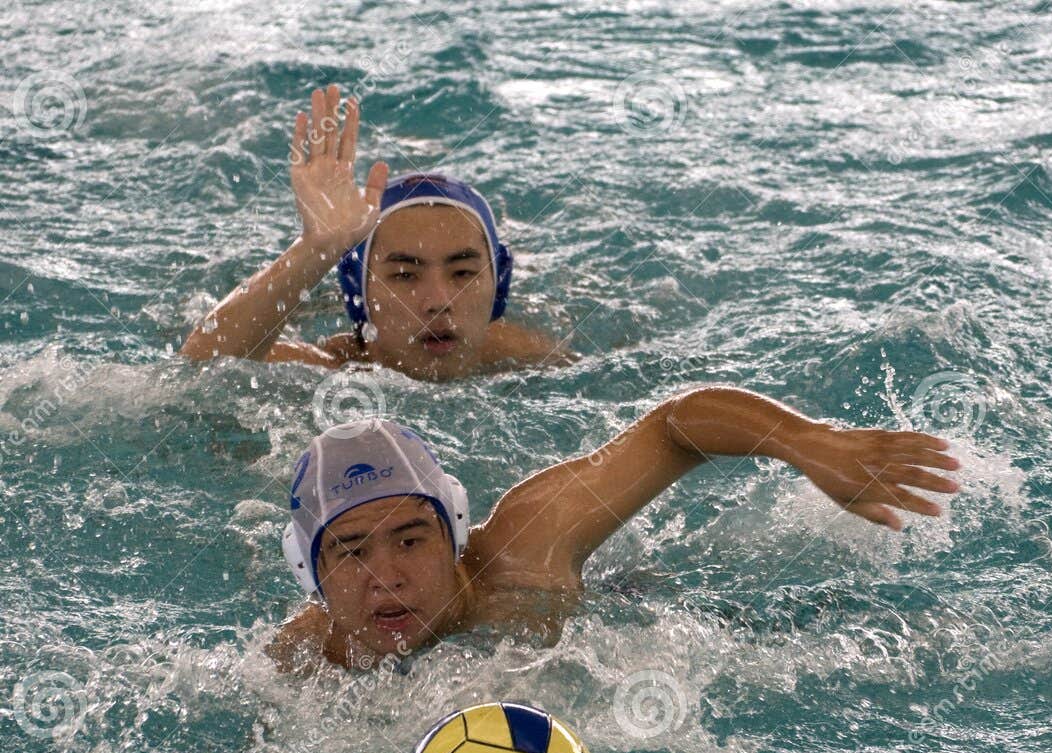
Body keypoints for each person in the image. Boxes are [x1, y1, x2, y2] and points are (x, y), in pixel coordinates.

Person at [267, 386, 962, 672]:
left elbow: (674, 430)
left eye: (411, 539)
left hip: (639, 616)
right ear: (313, 575)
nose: (385, 573)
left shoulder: (526, 545)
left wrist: (812, 445)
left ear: (452, 534)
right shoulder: (303, 663)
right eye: (352, 552)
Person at [181, 85, 572, 380]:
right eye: (405, 275)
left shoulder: (524, 356)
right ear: (358, 291)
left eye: (463, 273)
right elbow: (198, 371)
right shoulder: (332, 369)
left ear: (498, 282)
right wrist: (318, 246)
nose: (439, 302)